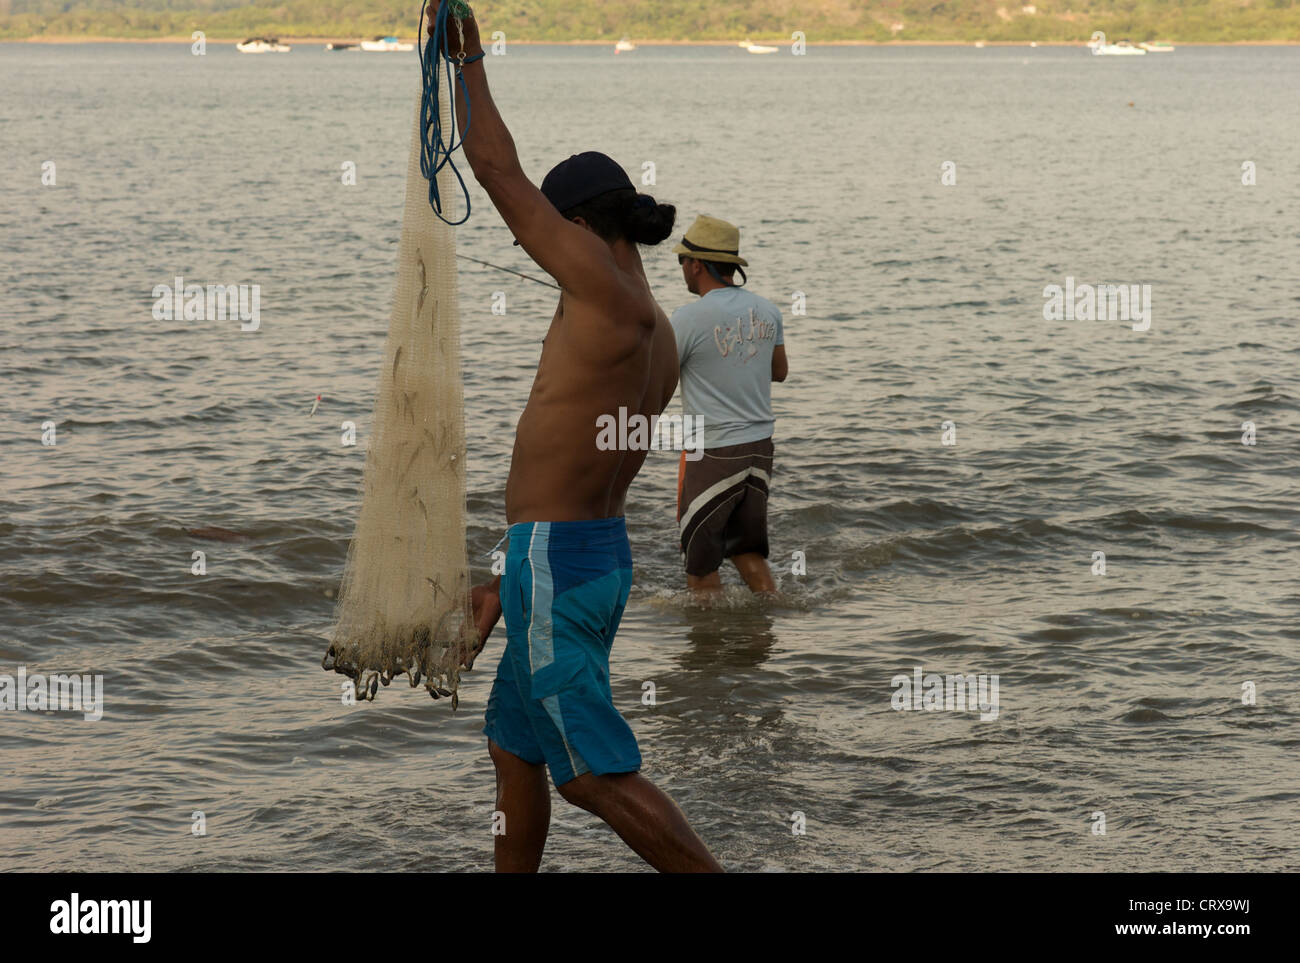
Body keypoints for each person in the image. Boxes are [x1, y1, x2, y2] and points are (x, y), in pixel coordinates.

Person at [436, 6, 722, 873]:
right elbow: (583, 465)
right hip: (580, 555)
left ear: (576, 226)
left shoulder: (597, 287)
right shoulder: (660, 332)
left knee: (588, 769)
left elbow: (492, 166)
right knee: (515, 747)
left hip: (559, 562)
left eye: (548, 233)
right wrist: (507, 573)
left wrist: (468, 58)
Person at [670, 215, 788, 597]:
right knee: (746, 552)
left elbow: (658, 376)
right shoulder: (768, 311)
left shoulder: (688, 317)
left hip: (714, 451)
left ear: (697, 264)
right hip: (760, 448)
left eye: (683, 261)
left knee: (700, 567)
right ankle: (766, 635)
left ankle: (705, 655)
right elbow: (779, 372)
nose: (683, 269)